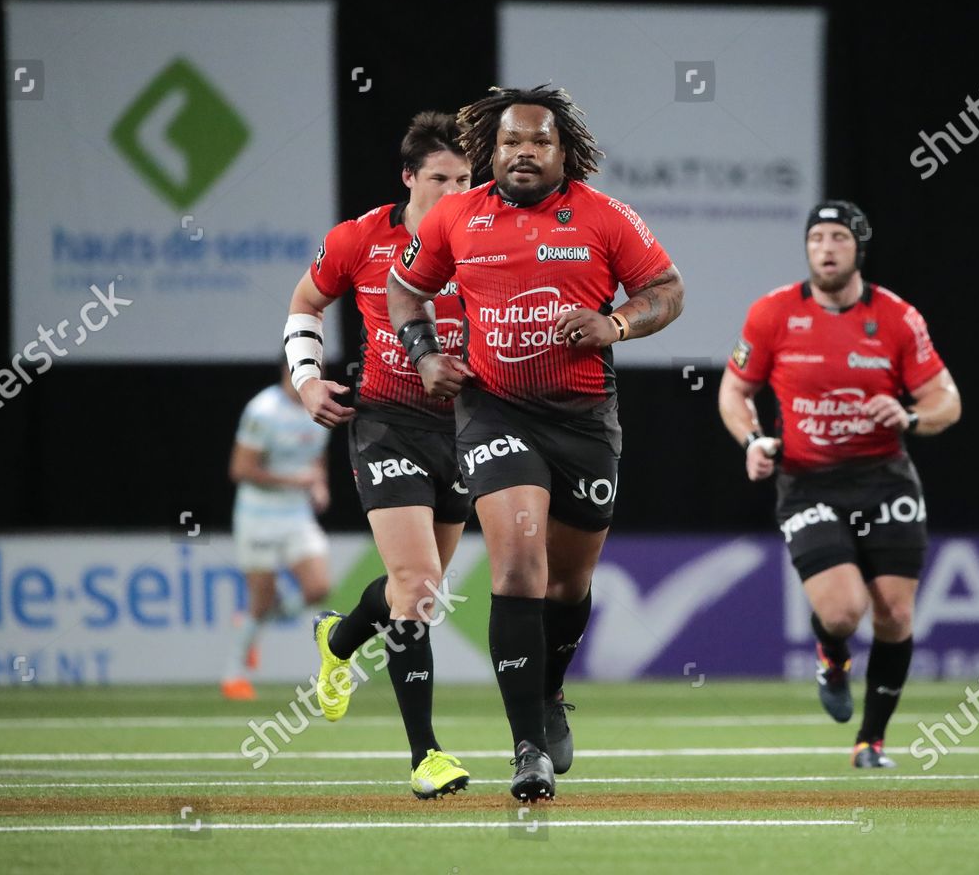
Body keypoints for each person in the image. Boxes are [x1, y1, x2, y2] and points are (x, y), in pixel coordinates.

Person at [387, 85, 684, 801]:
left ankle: (550, 692)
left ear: (562, 150)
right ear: (491, 149)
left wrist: (614, 325)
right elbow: (405, 290)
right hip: (495, 413)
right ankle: (527, 750)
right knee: (519, 566)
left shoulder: (605, 217)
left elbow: (667, 290)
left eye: (539, 141)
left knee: (569, 585)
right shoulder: (458, 215)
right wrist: (426, 355)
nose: (524, 152)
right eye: (511, 141)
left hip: (584, 419)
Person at [718, 200, 961, 768]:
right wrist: (753, 440)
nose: (825, 248)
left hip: (884, 479)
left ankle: (870, 742)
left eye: (838, 238)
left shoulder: (898, 317)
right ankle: (832, 656)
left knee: (896, 615)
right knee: (844, 612)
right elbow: (733, 391)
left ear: (859, 248)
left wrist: (907, 417)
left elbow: (947, 400)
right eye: (817, 238)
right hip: (807, 483)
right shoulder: (772, 314)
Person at [283, 111, 474, 799]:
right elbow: (306, 302)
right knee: (420, 589)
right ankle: (427, 757)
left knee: (407, 596)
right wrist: (307, 380)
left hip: (465, 430)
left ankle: (338, 641)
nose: (454, 191)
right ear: (408, 177)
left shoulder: (484, 238)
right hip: (385, 424)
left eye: (464, 178)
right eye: (439, 179)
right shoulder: (361, 238)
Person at [224, 365, 332, 701]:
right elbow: (240, 469)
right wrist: (292, 481)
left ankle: (262, 618)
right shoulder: (263, 410)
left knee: (318, 588)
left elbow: (316, 456)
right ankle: (235, 676)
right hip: (258, 515)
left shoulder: (319, 406)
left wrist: (319, 484)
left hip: (296, 514)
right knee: (260, 599)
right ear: (289, 370)